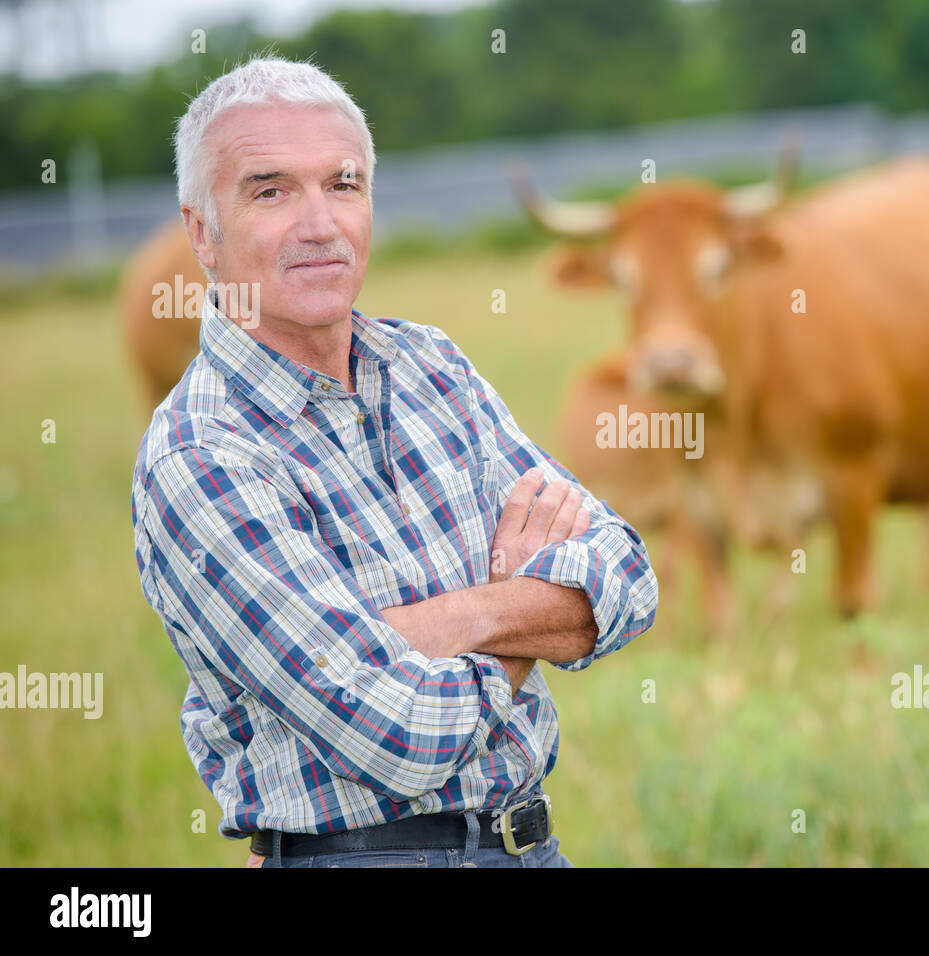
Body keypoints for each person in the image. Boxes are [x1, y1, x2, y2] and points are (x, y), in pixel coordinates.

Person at [130, 55, 658, 868]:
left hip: (531, 847)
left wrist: (458, 618)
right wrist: (524, 608)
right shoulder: (201, 456)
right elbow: (398, 734)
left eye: (342, 185)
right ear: (203, 231)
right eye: (271, 191)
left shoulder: (431, 368)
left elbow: (627, 572)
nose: (320, 223)